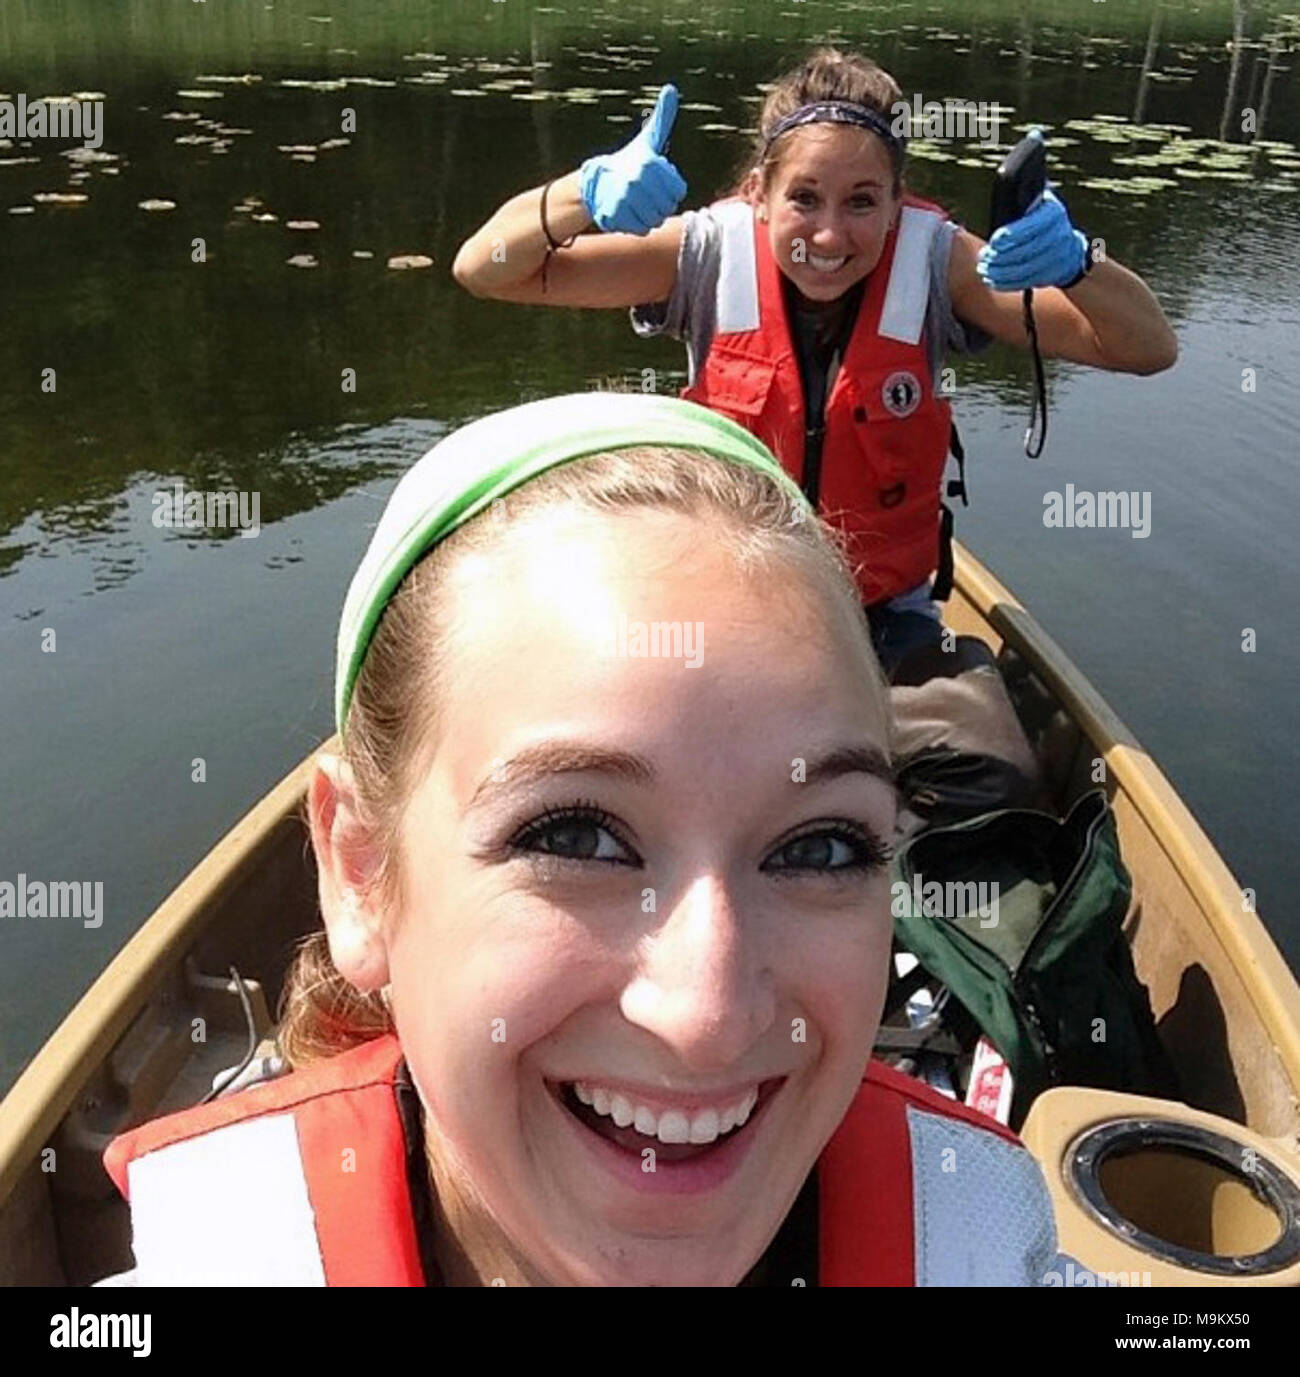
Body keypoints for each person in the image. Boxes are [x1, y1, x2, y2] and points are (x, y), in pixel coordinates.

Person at [98, 393, 1066, 1286]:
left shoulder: (982, 1253)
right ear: (360, 871)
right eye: (574, 835)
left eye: (819, 848)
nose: (707, 1018)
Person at [452, 48, 1178, 676]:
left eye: (862, 201)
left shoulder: (940, 261)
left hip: (885, 618)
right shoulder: (703, 253)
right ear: (759, 195)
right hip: (729, 599)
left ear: (898, 202)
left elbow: (1147, 348)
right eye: (804, 197)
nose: (829, 236)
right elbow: (486, 270)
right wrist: (580, 194)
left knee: (974, 771)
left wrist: (1082, 265)